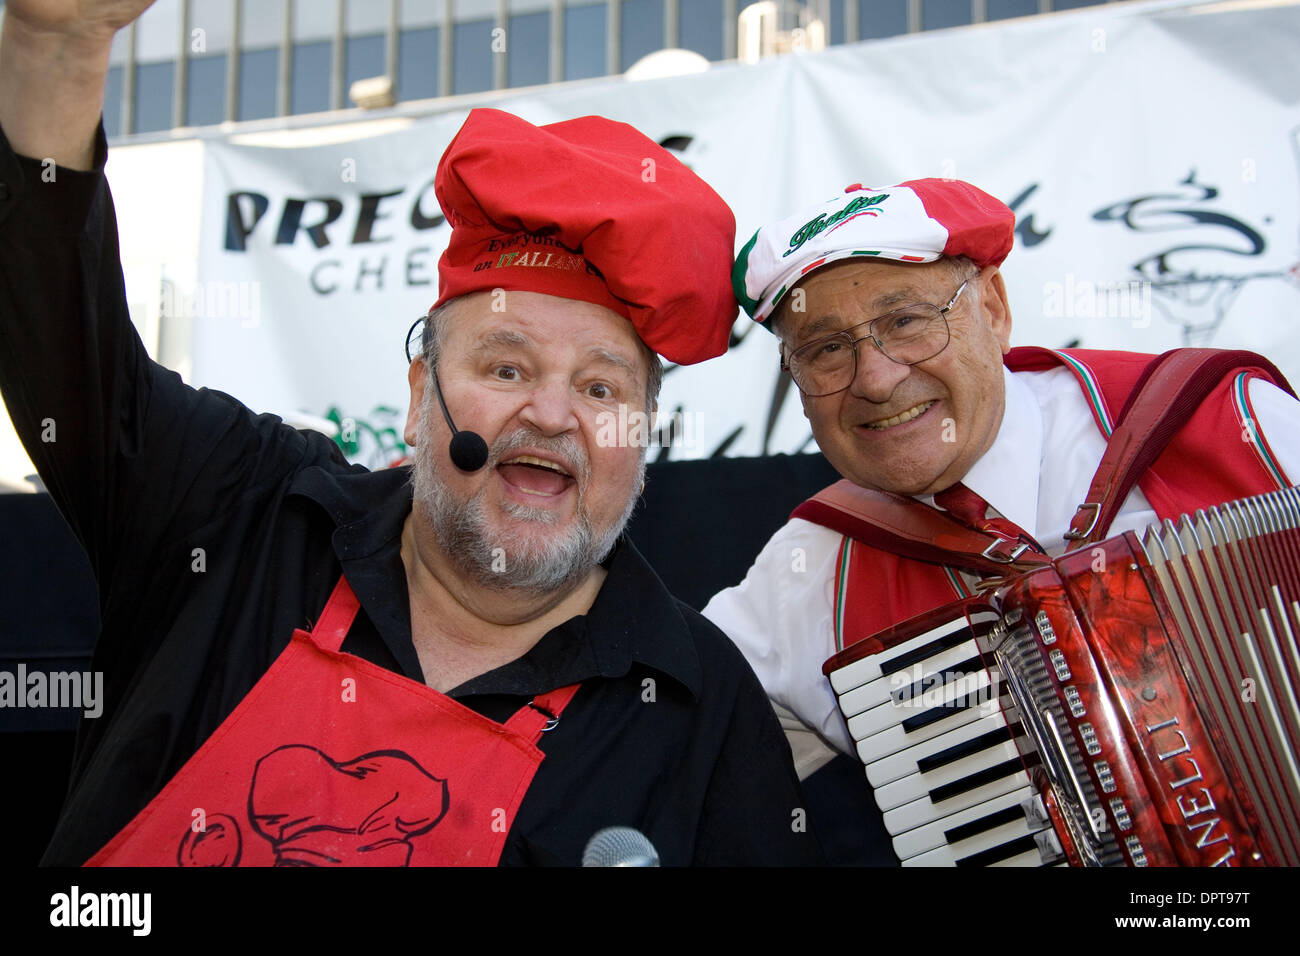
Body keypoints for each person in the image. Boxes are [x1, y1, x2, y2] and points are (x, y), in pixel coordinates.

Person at [0, 1, 821, 866]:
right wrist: (59, 42)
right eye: (505, 368)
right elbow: (62, 339)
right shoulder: (239, 511)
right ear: (420, 393)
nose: (549, 413)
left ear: (643, 432)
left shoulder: (700, 705)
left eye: (599, 386)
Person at [704, 178, 1300, 853]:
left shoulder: (1231, 425)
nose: (874, 378)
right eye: (825, 349)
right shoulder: (811, 572)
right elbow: (664, 744)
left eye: (905, 320)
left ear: (993, 306)